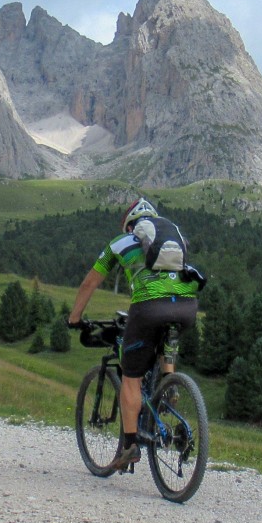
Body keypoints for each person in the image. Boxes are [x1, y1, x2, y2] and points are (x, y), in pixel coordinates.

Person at [67, 198, 199, 472]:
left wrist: (75, 318)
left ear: (130, 226)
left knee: (131, 377)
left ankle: (129, 446)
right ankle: (169, 385)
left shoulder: (120, 243)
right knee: (165, 338)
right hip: (187, 307)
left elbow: (90, 282)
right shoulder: (174, 238)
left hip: (149, 309)